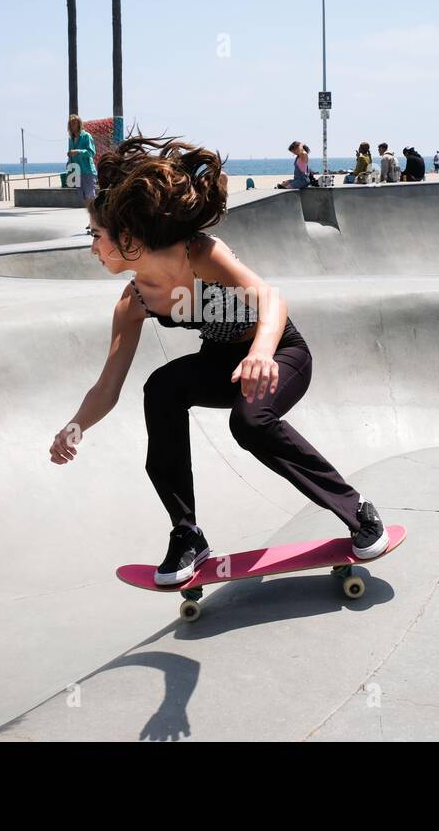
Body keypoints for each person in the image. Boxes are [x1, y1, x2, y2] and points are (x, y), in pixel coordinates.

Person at [52, 136, 389, 585]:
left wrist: (262, 354)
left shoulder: (200, 254)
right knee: (161, 388)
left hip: (280, 353)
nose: (92, 247)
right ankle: (187, 533)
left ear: (127, 236)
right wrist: (75, 426)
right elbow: (107, 386)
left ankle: (357, 509)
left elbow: (271, 298)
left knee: (249, 423)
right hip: (221, 364)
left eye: (96, 236)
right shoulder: (133, 302)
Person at [66, 115, 98, 202]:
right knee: (82, 198)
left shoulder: (86, 136)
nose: (73, 125)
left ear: (79, 124)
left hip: (87, 171)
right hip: (76, 171)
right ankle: (92, 214)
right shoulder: (70, 139)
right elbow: (71, 156)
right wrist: (69, 167)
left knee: (90, 196)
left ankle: (96, 214)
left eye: (75, 123)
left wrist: (78, 151)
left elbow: (91, 152)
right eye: (71, 123)